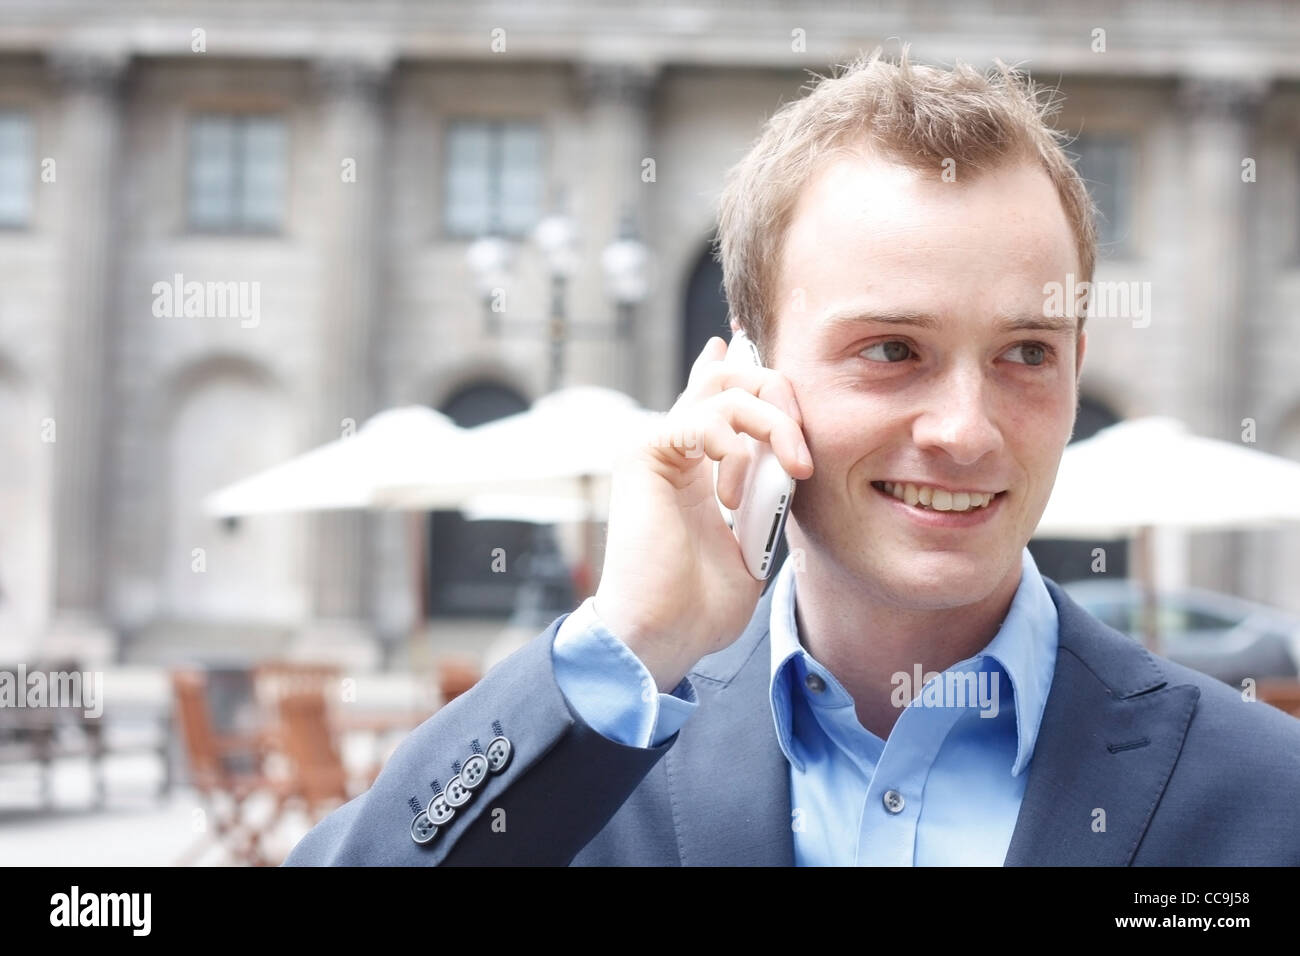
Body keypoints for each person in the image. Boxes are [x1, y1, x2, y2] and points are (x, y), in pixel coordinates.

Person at [285, 47, 1300, 866]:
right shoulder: (594, 760)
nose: (966, 428)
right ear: (752, 367)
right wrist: (628, 639)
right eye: (892, 349)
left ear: (1077, 362)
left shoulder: (1266, 789)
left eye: (1024, 352)